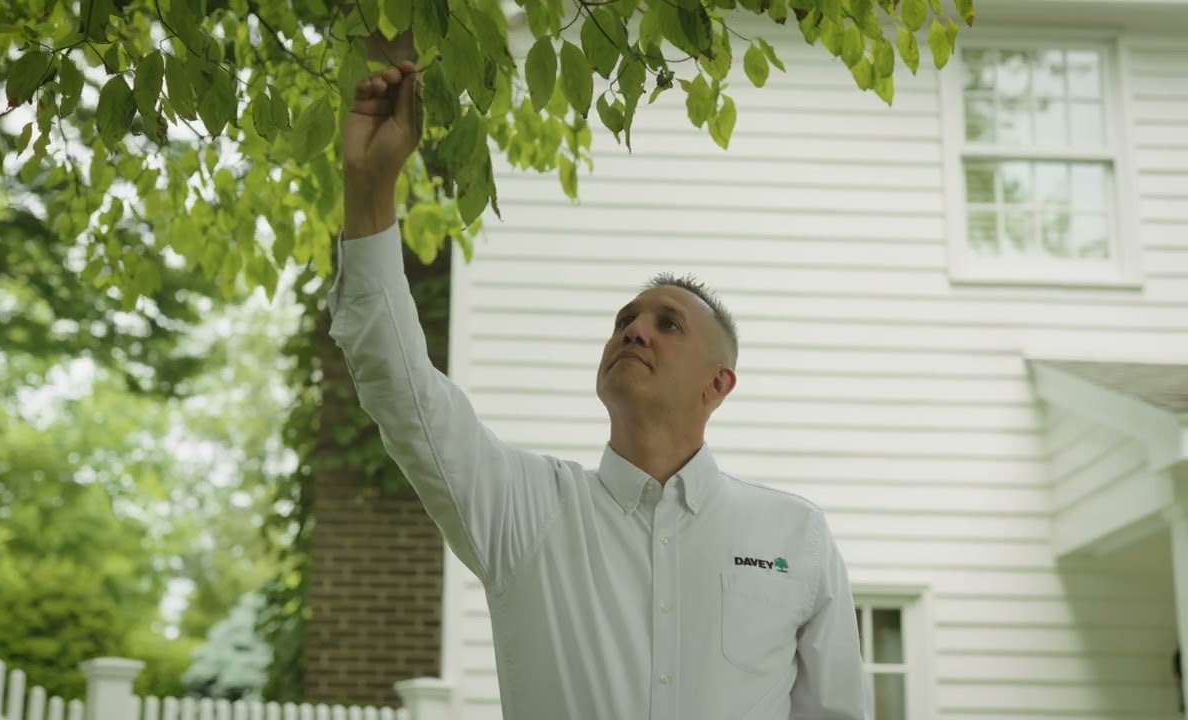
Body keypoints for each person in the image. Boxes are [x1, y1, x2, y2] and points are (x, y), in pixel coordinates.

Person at [330, 61, 869, 720]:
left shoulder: (796, 536)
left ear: (718, 383)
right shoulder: (522, 510)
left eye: (668, 324)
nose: (635, 331)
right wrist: (368, 186)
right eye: (625, 321)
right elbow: (399, 384)